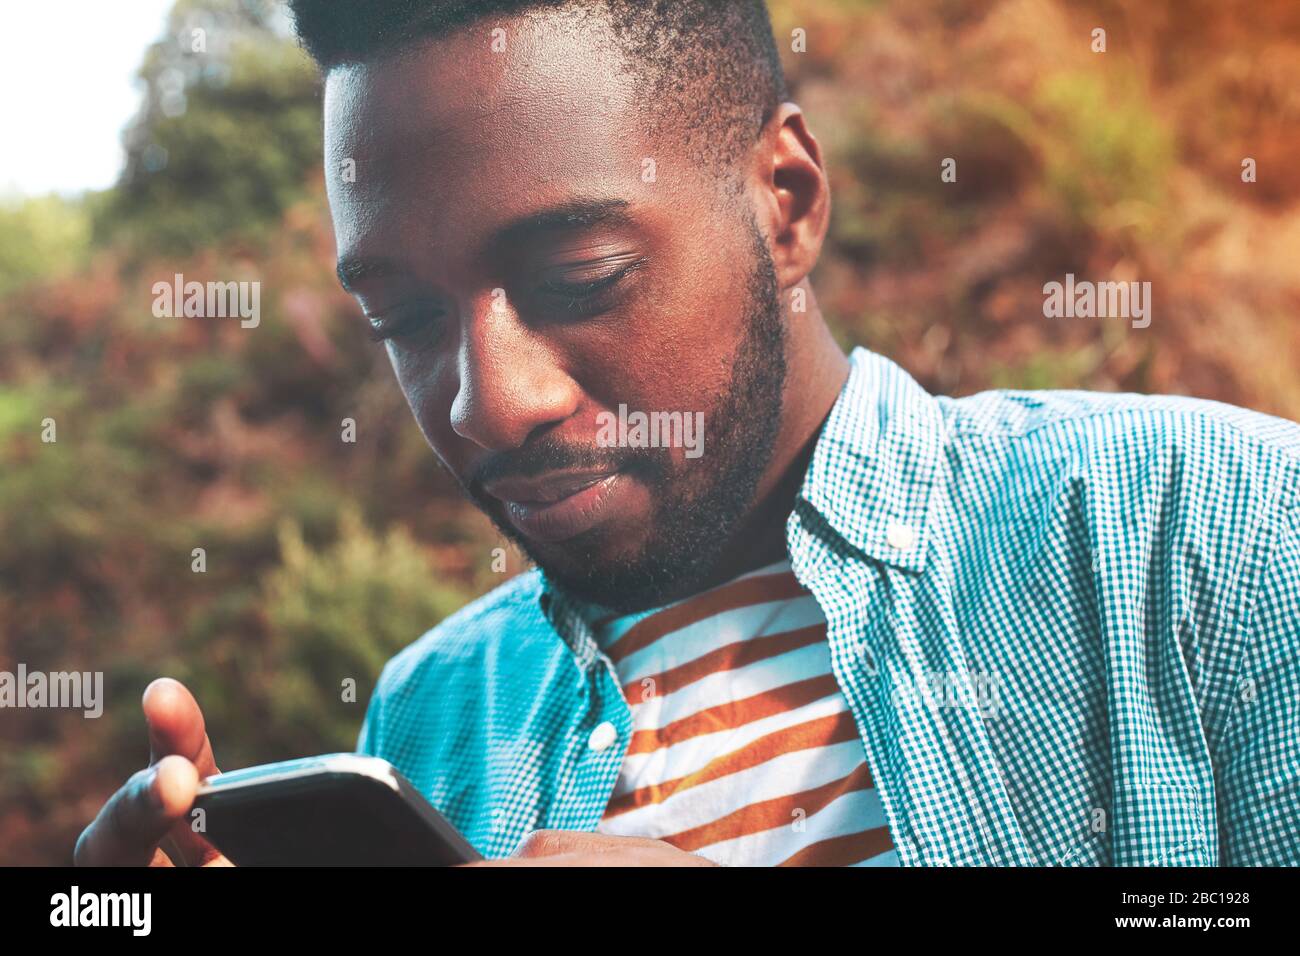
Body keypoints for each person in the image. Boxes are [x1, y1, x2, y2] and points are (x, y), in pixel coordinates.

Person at [76, 0, 1300, 867]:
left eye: (579, 275)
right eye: (403, 316)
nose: (486, 402)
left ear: (786, 204)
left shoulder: (1219, 535)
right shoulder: (434, 715)